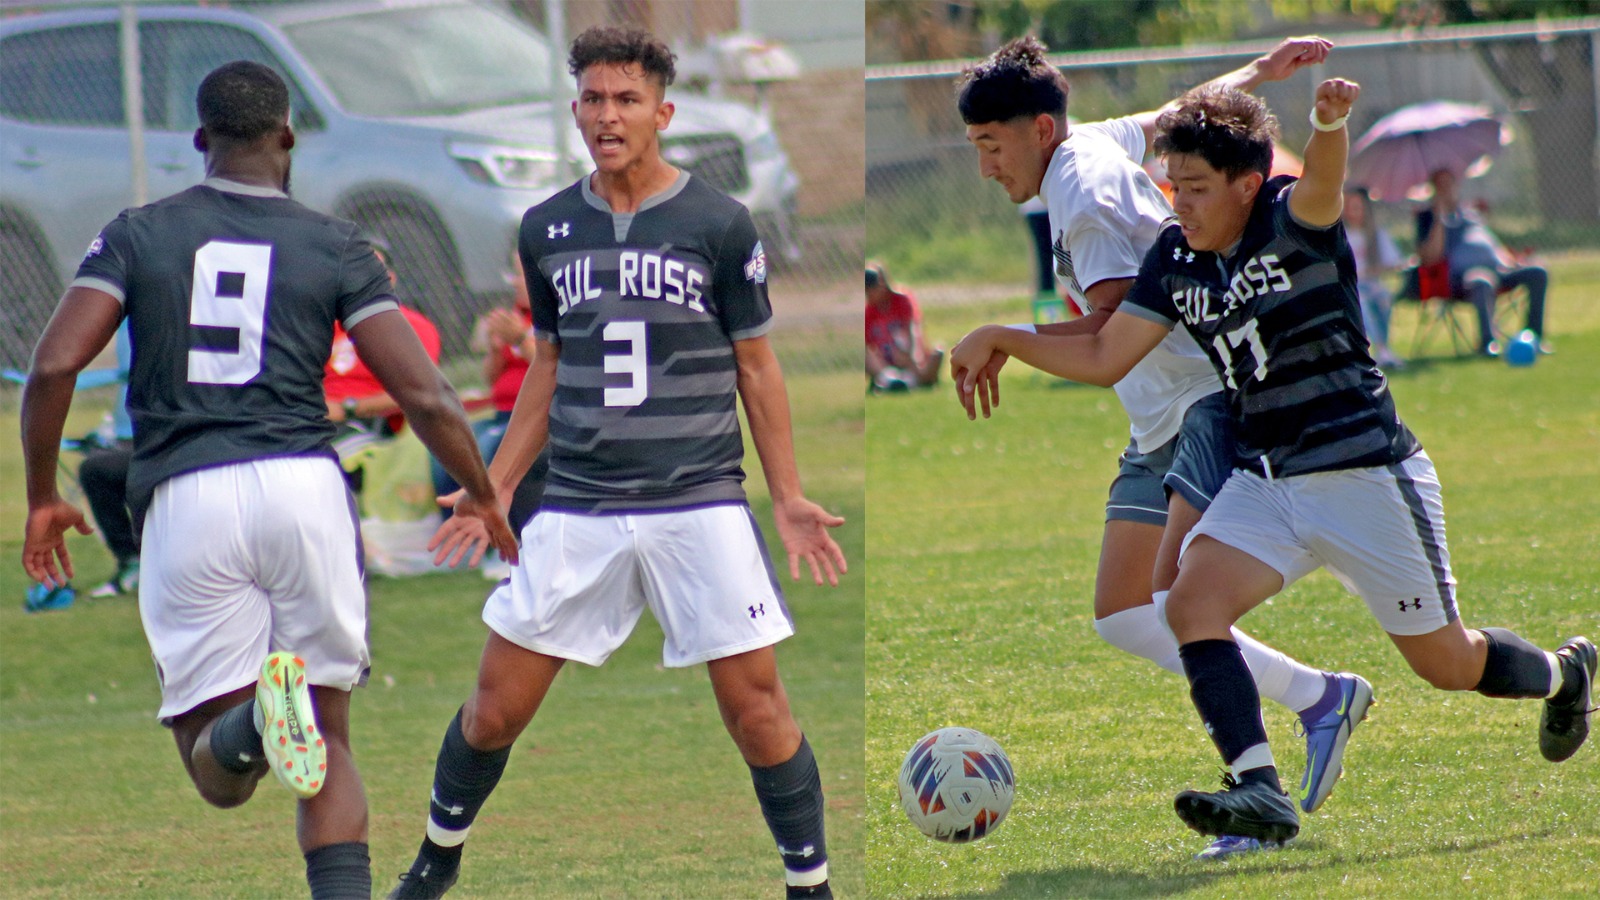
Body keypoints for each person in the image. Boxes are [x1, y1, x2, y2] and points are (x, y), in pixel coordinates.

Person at [950, 78, 1594, 845]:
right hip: (1271, 479)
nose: (1177, 204)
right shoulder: (1174, 256)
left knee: (1448, 665)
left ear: (1247, 186)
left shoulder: (1292, 218)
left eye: (1195, 189)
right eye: (1172, 185)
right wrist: (1002, 337)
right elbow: (1102, 349)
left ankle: (1566, 675)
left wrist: (1329, 122)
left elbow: (1325, 182)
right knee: (1187, 604)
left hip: (1365, 476)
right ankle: (1259, 788)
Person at [20, 60, 517, 899]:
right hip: (305, 492)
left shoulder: (139, 232)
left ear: (198, 141)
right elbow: (427, 392)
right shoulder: (337, 244)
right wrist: (483, 489)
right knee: (329, 741)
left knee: (218, 776)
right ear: (288, 135)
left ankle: (253, 719)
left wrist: (42, 495)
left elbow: (56, 361)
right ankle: (280, 724)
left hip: (189, 498)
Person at [385, 27, 846, 900]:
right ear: (576, 111)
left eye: (627, 99)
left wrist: (785, 495)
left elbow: (757, 364)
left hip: (697, 497)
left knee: (756, 711)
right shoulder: (546, 227)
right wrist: (500, 487)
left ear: (663, 113)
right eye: (594, 99)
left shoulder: (719, 223)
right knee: (493, 710)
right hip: (580, 501)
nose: (609, 115)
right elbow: (547, 366)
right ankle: (435, 860)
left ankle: (810, 886)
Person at [952, 35, 1364, 860]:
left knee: (1184, 601)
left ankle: (1256, 795)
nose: (986, 167)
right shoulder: (1089, 141)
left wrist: (1005, 336)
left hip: (1204, 408)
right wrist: (1259, 72)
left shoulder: (1082, 191)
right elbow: (1176, 117)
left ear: (1036, 131)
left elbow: (1113, 337)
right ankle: (1322, 698)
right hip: (1160, 421)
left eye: (990, 147)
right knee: (1122, 612)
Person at [428, 252, 549, 534]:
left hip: (530, 417)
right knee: (445, 448)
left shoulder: (547, 318)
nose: (515, 284)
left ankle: (494, 531)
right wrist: (496, 348)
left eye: (521, 276)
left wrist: (520, 338)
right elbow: (491, 378)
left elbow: (553, 369)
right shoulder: (512, 317)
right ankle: (455, 527)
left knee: (482, 451)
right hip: (500, 413)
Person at [323, 238, 444, 499]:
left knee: (321, 453)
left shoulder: (411, 326)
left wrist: (347, 408)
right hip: (319, 416)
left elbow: (419, 394)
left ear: (389, 278)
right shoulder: (326, 327)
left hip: (372, 424)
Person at [1415, 167, 1550, 356]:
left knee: (1538, 271)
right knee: (1481, 280)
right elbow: (1430, 257)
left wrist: (1510, 259)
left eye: (1450, 184)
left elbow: (1490, 242)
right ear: (1433, 189)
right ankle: (1488, 343)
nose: (1447, 190)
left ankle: (1534, 337)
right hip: (1461, 279)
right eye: (1441, 185)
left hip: (1499, 269)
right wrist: (1439, 218)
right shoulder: (1427, 217)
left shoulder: (1471, 213)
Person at [1343, 186, 1404, 369]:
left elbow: (1394, 262)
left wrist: (1378, 269)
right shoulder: (1341, 236)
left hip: (1372, 283)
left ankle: (1384, 348)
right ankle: (1372, 348)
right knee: (1362, 303)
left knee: (1383, 297)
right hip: (1351, 287)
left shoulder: (1376, 235)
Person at [865, 261, 943, 391]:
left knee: (938, 352)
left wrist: (910, 356)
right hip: (885, 363)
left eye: (871, 290)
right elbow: (868, 347)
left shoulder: (901, 300)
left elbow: (913, 330)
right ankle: (889, 380)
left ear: (882, 285)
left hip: (908, 357)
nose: (868, 296)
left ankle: (912, 380)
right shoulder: (868, 312)